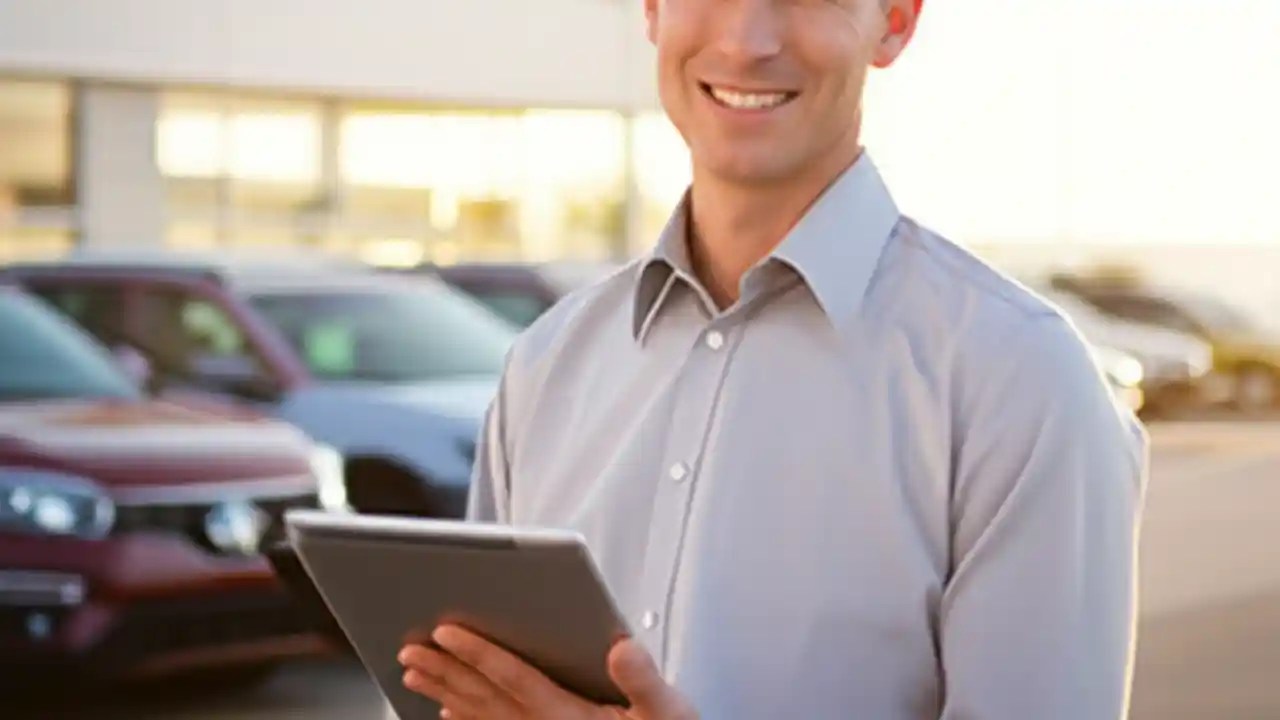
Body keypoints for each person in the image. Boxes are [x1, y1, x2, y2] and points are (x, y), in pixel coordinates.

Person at [396, 0, 1149, 718]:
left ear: (894, 22)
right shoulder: (546, 364)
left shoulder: (1020, 379)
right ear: (652, 9)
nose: (747, 40)